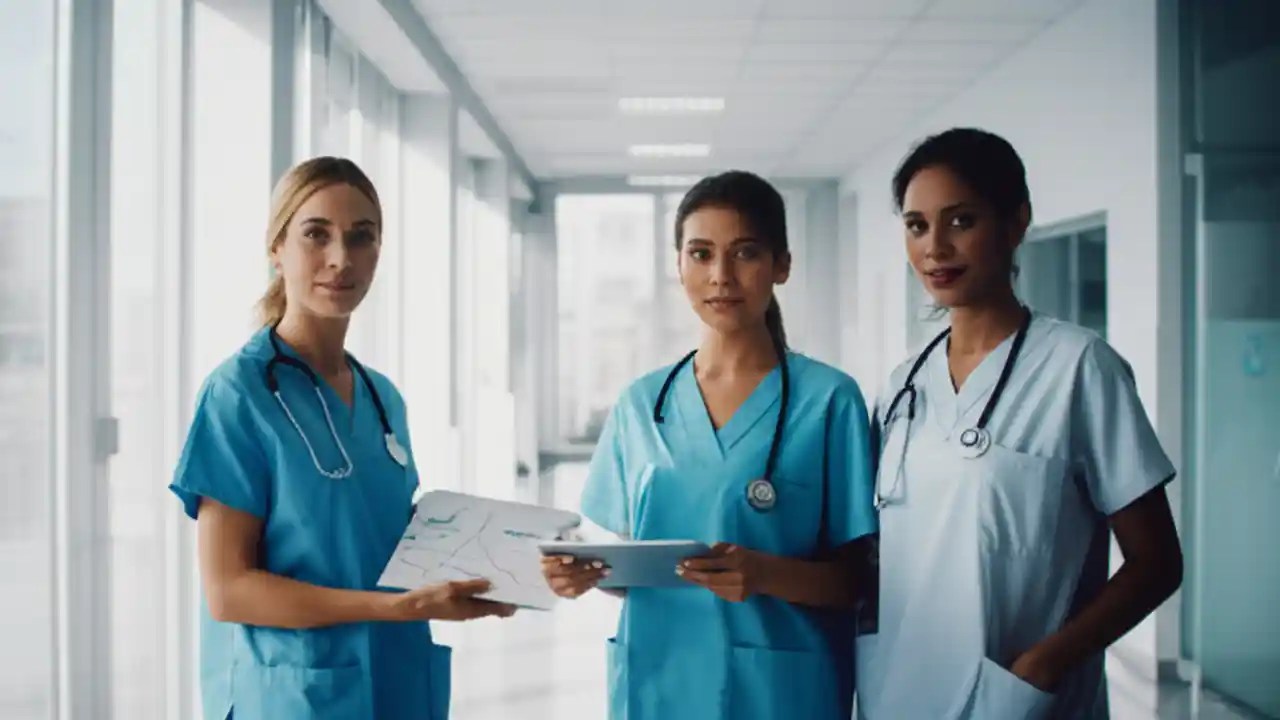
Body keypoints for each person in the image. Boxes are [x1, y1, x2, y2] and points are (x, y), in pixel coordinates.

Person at [170, 157, 515, 720]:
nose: (341, 258)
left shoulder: (382, 397)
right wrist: (393, 608)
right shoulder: (239, 393)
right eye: (316, 234)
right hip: (295, 692)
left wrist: (519, 560)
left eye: (361, 237)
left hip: (395, 677)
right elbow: (229, 590)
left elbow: (379, 538)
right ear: (277, 248)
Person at [856, 128, 1183, 719]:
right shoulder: (903, 385)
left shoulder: (1079, 367)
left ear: (1016, 222)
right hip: (900, 691)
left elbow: (1157, 564)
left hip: (1015, 699)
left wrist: (1045, 664)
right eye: (917, 225)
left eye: (961, 221)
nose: (935, 248)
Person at [542, 171, 877, 720]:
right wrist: (583, 575)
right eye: (700, 254)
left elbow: (858, 583)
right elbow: (638, 574)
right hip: (659, 679)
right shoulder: (641, 404)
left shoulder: (828, 400)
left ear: (782, 265)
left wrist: (765, 574)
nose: (721, 275)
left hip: (781, 692)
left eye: (745, 253)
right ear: (679, 266)